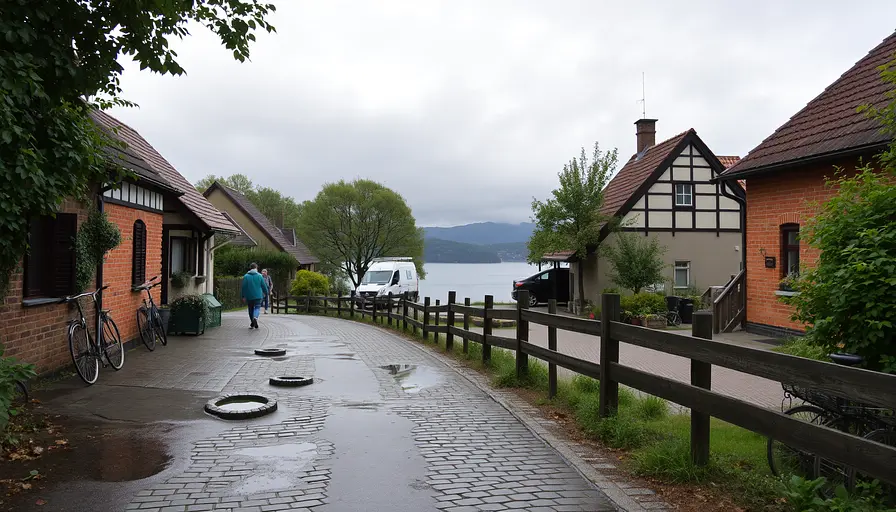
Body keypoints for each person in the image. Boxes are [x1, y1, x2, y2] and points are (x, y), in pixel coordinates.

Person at [240, 262, 267, 329]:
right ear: (256, 268)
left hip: (249, 296)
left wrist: (243, 296)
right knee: (257, 308)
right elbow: (263, 285)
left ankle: (252, 322)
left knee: (250, 308)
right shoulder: (260, 276)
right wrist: (266, 292)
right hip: (258, 295)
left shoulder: (246, 276)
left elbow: (244, 287)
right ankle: (255, 318)